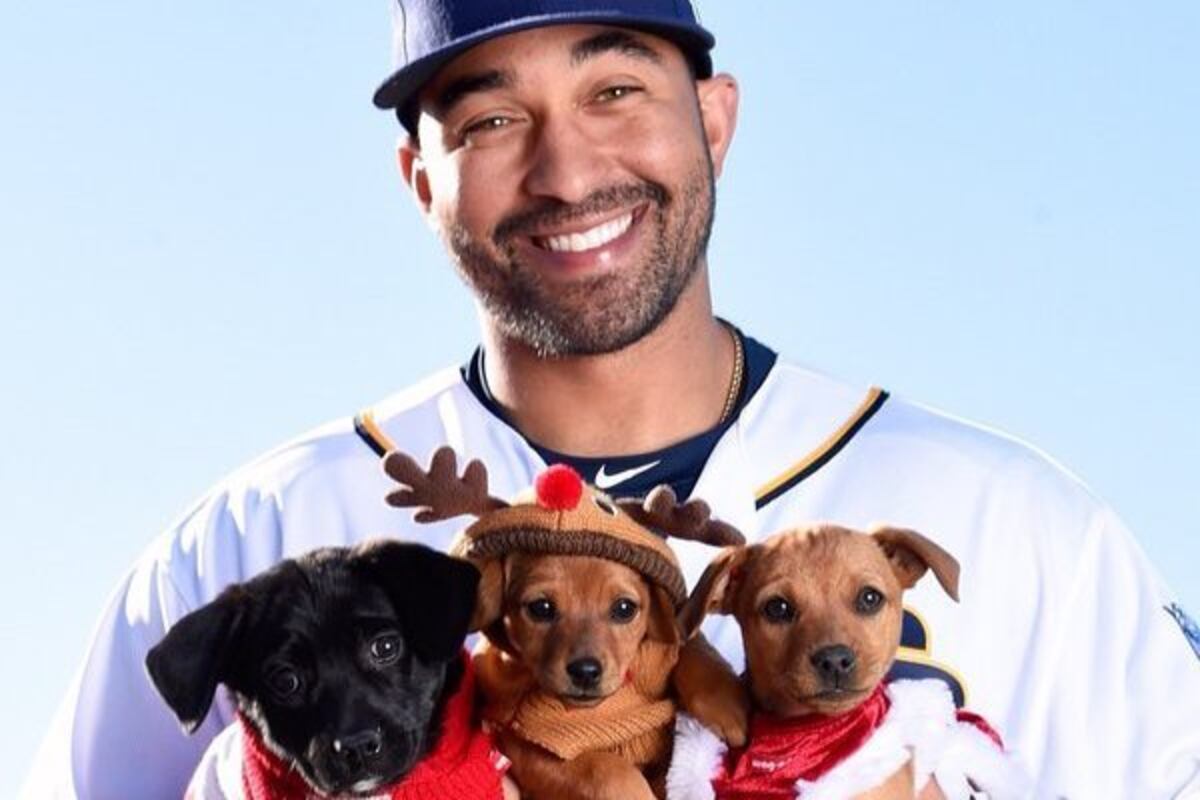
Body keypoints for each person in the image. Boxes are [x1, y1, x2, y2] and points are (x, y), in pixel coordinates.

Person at [23, 1, 1200, 797]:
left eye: (618, 89)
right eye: (488, 118)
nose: (567, 170)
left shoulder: (1014, 518)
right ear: (418, 178)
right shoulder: (258, 534)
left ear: (717, 119)